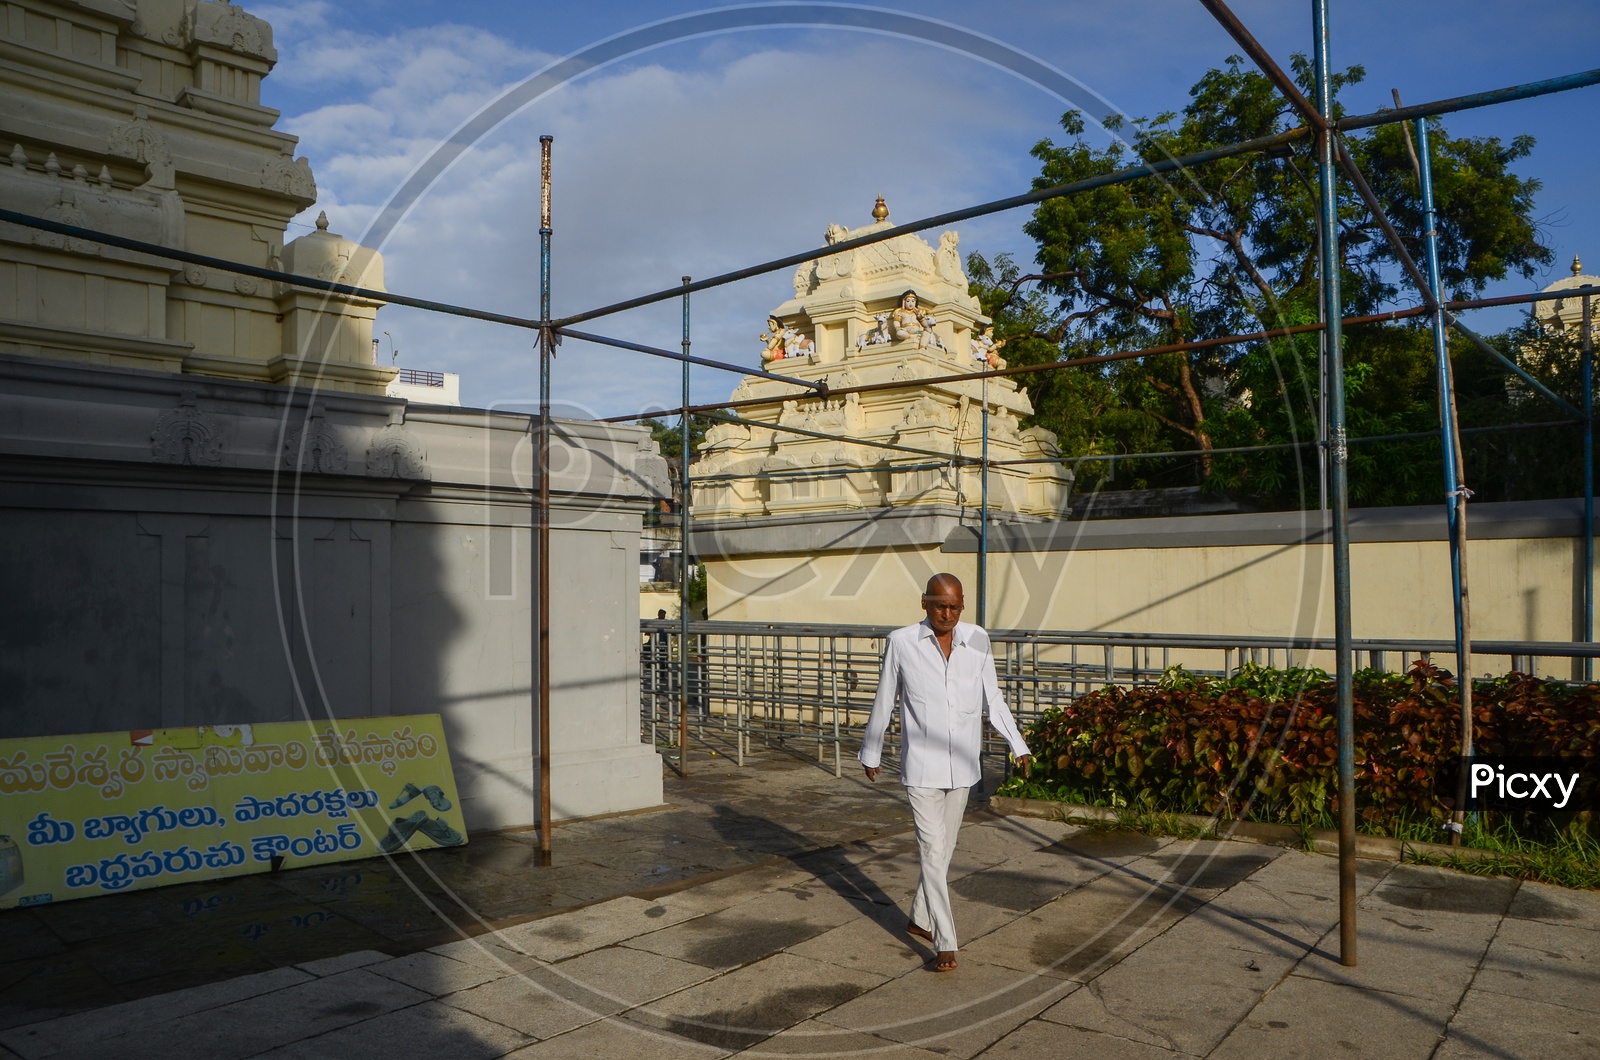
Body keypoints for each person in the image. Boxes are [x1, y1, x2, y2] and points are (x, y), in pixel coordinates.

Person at [859, 573, 1031, 973]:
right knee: (931, 852)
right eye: (940, 606)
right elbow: (885, 699)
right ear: (925, 603)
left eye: (955, 607)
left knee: (945, 849)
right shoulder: (902, 642)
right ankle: (945, 940)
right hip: (921, 767)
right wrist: (872, 750)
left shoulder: (978, 639)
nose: (947, 614)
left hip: (963, 766)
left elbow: (993, 698)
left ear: (962, 606)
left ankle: (920, 917)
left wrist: (1017, 743)